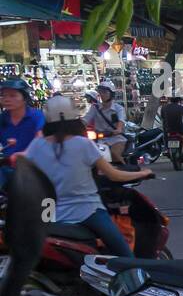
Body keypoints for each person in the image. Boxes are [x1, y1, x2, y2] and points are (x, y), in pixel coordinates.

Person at [24, 94, 152, 256]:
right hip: (88, 211)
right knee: (125, 255)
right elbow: (115, 176)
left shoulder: (36, 146)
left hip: (48, 213)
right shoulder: (83, 144)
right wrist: (143, 173)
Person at [0, 78, 44, 190]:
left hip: (33, 166)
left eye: (13, 95)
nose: (7, 99)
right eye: (3, 95)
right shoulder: (2, 118)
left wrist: (26, 153)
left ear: (24, 98)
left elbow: (40, 138)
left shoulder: (36, 116)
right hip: (7, 166)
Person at [83, 82, 127, 163]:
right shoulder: (95, 108)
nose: (102, 94)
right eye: (100, 92)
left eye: (104, 92)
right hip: (100, 139)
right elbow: (85, 120)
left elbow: (121, 122)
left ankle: (125, 168)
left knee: (114, 153)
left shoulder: (119, 108)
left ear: (111, 94)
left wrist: (118, 129)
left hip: (116, 138)